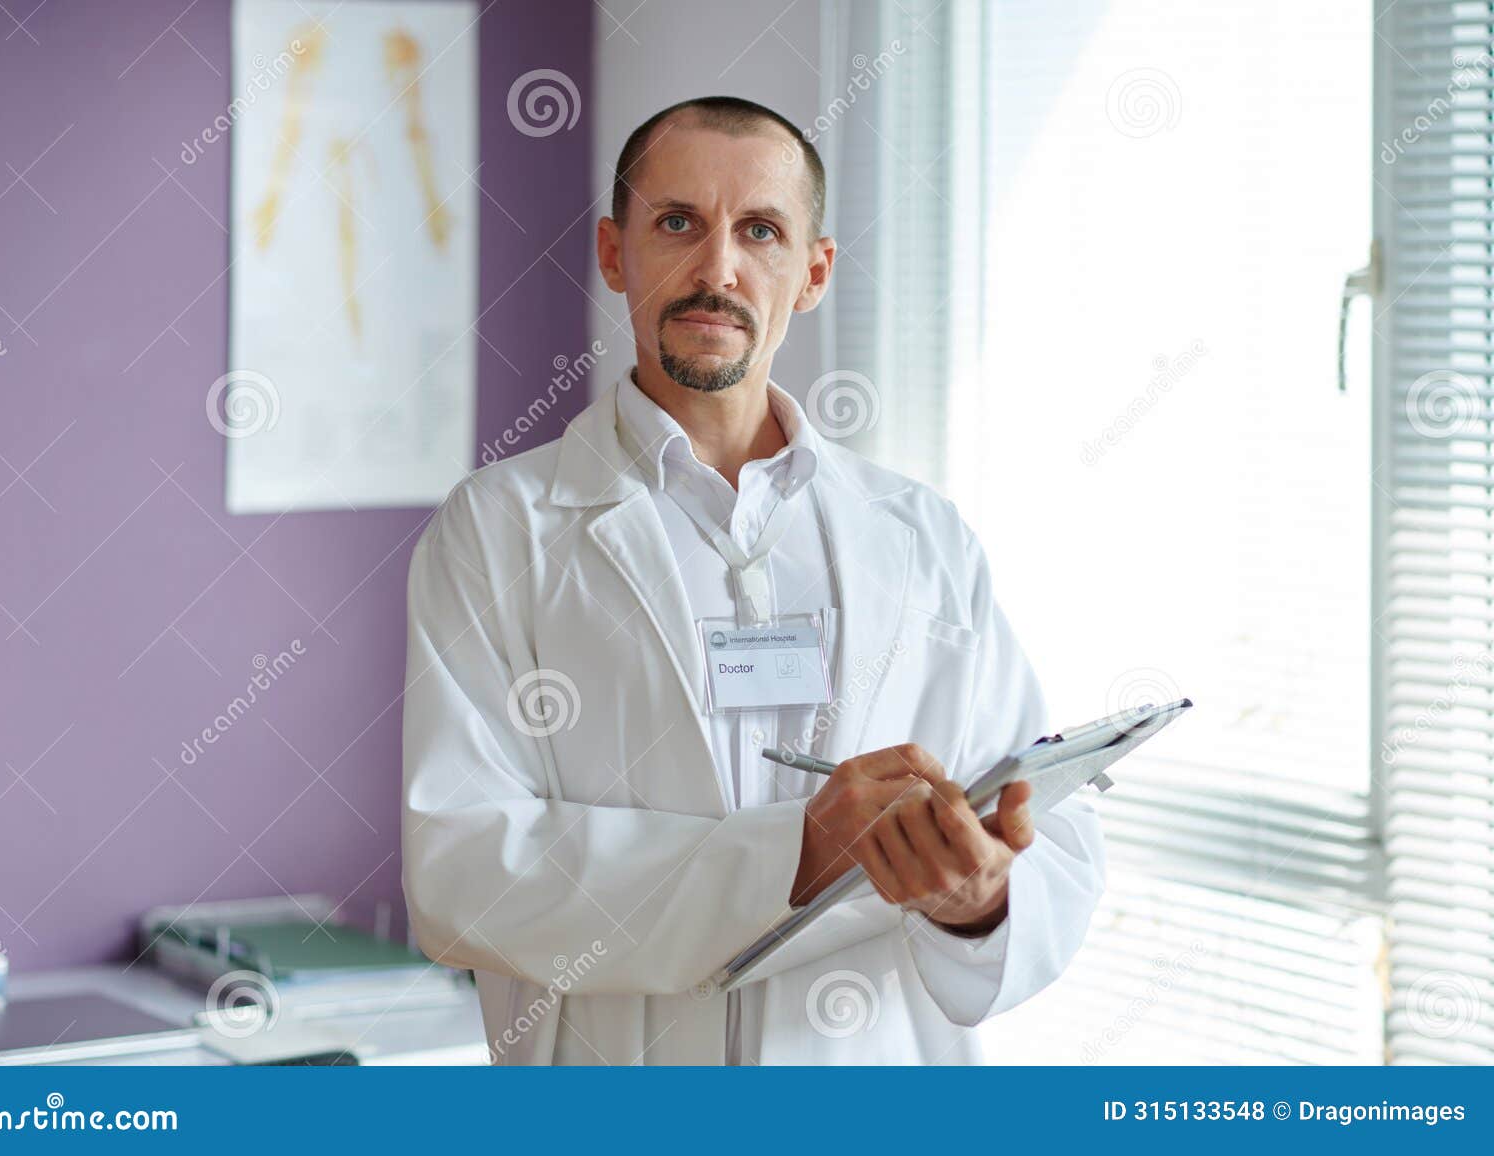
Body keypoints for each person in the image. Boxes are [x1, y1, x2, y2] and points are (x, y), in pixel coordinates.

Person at [401, 96, 1103, 1065]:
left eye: (760, 231)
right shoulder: (494, 531)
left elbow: (1053, 835)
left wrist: (977, 900)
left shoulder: (923, 539)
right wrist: (798, 853)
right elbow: (463, 868)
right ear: (614, 253)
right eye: (677, 223)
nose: (716, 269)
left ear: (813, 272)